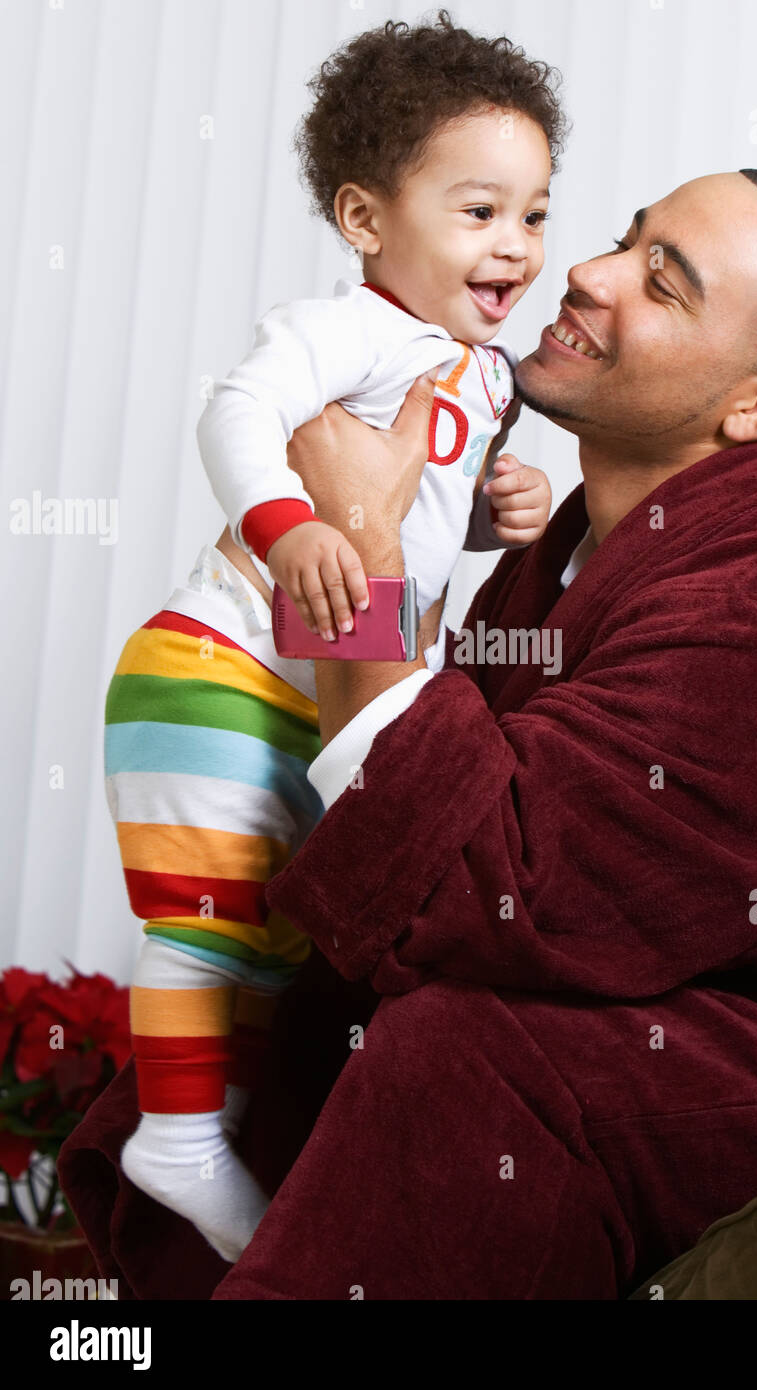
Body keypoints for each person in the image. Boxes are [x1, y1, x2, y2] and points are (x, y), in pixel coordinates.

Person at [61, 168, 757, 1300]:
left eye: (658, 283)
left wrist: (360, 550)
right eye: (622, 239)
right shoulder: (569, 547)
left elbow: (483, 887)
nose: (585, 273)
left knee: (473, 1047)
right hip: (650, 988)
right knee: (262, 1002)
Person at [103, 10, 559, 1265]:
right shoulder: (347, 328)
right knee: (202, 921)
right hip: (217, 663)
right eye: (478, 212)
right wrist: (284, 518)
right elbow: (238, 408)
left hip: (311, 686)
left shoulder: (482, 371)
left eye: (533, 214)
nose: (513, 245)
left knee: (277, 932)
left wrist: (492, 514)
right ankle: (179, 1143)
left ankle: (214, 1119)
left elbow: (411, 519)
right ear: (367, 221)